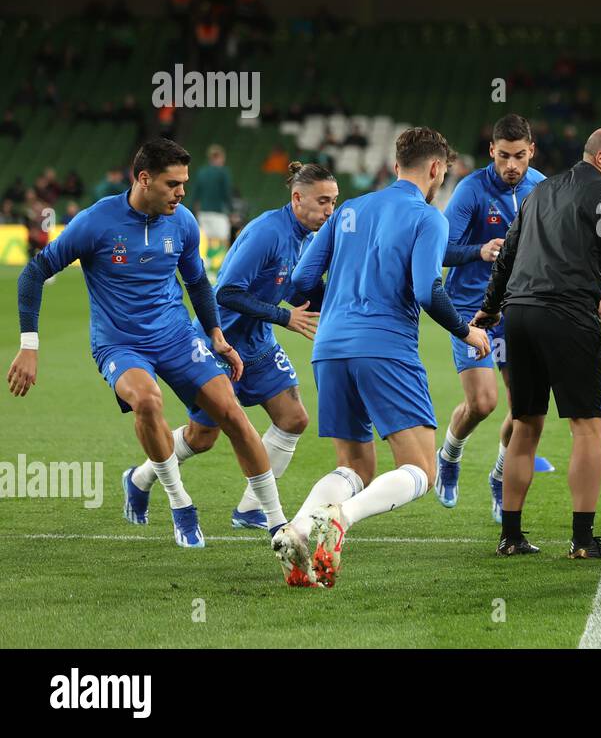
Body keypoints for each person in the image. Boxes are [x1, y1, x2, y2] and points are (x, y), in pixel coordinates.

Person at [9, 139, 288, 552]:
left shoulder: (183, 222)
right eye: (173, 183)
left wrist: (215, 335)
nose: (181, 192)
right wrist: (29, 346)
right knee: (148, 400)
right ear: (144, 179)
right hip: (119, 343)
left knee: (229, 410)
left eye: (184, 183)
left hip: (175, 336)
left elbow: (196, 282)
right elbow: (34, 273)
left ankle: (277, 524)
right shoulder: (95, 222)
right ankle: (181, 505)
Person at [274, 128, 490, 588]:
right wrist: (467, 331)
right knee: (421, 469)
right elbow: (427, 291)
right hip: (384, 346)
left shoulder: (349, 209)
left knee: (354, 467)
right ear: (436, 169)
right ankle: (340, 520)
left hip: (329, 347)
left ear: (396, 166)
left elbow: (299, 280)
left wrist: (340, 303)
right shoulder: (429, 218)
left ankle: (295, 530)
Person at [475, 128, 601, 560]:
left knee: (525, 421)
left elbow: (509, 255)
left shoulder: (540, 191)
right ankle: (583, 540)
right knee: (587, 426)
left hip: (520, 316)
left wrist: (491, 308)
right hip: (568, 317)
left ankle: (510, 536)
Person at [121, 163, 336, 560]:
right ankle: (139, 477)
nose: (329, 210)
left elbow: (302, 287)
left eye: (334, 202)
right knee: (203, 438)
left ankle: (251, 509)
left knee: (294, 418)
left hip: (258, 341)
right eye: (323, 201)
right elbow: (226, 294)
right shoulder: (268, 232)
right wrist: (285, 316)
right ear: (297, 198)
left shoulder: (308, 238)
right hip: (217, 342)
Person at [436, 114, 546, 521]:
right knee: (482, 403)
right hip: (470, 309)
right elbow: (442, 251)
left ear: (531, 151)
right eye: (504, 156)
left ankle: (499, 478)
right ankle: (449, 455)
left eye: (519, 156)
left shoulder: (542, 188)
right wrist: (479, 250)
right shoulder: (471, 191)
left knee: (524, 410)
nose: (511, 165)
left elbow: (563, 244)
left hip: (518, 308)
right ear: (491, 152)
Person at [191, 144, 234, 260]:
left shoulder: (202, 172)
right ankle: (222, 266)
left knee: (208, 241)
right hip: (218, 212)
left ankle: (208, 266)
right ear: (220, 157)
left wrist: (194, 212)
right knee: (224, 241)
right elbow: (226, 194)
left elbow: (195, 195)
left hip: (203, 213)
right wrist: (232, 211)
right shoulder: (223, 172)